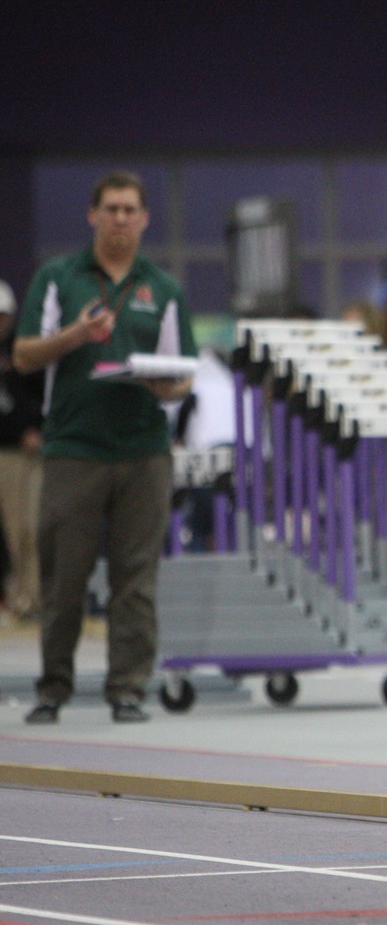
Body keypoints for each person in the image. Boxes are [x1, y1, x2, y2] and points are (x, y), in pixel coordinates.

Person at [14, 171, 198, 724]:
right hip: (74, 449)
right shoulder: (58, 277)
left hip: (144, 451)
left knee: (135, 579)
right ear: (92, 215)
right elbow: (23, 354)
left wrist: (170, 386)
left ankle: (127, 689)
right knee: (64, 577)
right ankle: (52, 689)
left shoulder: (163, 289)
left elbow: (184, 371)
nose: (120, 218)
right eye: (111, 208)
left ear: (144, 220)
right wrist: (75, 335)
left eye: (129, 210)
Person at [0, 279, 46, 621]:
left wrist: (38, 431)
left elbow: (44, 395)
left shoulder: (25, 352)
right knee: (12, 530)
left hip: (27, 453)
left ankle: (34, 599)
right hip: (4, 452)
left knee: (31, 526)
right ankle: (18, 596)